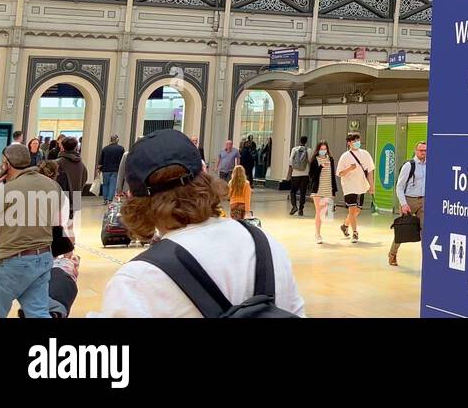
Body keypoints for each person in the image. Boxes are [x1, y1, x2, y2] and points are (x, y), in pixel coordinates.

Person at [88, 128, 304, 317]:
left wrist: (63, 288)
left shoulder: (138, 280)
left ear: (133, 197)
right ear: (204, 174)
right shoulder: (266, 245)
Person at [0, 144, 64, 318]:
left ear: (5, 164)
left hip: (12, 260)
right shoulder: (52, 185)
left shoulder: (8, 190)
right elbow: (58, 217)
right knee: (38, 312)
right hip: (43, 258)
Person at [390, 141, 426, 266]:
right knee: (403, 229)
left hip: (423, 201)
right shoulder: (409, 165)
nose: (423, 153)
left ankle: (425, 260)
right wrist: (403, 203)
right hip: (409, 200)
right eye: (421, 150)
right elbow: (399, 186)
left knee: (425, 230)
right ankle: (392, 254)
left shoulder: (429, 165)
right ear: (416, 151)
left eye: (425, 150)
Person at [336, 133, 374, 243]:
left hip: (361, 186)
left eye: (358, 140)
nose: (357, 143)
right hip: (349, 187)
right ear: (349, 143)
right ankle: (355, 233)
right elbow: (339, 173)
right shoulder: (345, 156)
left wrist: (372, 185)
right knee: (352, 209)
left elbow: (370, 171)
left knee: (357, 210)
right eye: (354, 141)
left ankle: (345, 225)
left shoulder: (365, 154)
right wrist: (349, 169)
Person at [56, 137, 88, 234]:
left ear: (62, 147)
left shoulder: (58, 163)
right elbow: (85, 178)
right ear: (76, 147)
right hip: (76, 195)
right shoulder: (81, 164)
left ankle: (64, 246)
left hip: (61, 198)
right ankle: (71, 243)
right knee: (70, 224)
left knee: (59, 225)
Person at [309, 141, 338, 245]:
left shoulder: (331, 159)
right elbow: (312, 176)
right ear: (318, 149)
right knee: (319, 211)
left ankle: (318, 231)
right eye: (321, 149)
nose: (323, 151)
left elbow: (332, 176)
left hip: (328, 189)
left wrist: (334, 190)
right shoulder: (314, 160)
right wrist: (321, 167)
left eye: (325, 149)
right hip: (317, 189)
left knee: (324, 213)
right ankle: (318, 234)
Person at [287, 136, 311, 216]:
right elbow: (310, 161)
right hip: (305, 174)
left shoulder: (294, 149)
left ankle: (294, 206)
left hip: (295, 174)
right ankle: (301, 209)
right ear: (306, 141)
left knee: (293, 191)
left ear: (299, 141)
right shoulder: (308, 150)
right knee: (303, 192)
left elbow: (290, 161)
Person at [97, 134, 125, 202]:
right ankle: (110, 199)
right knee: (113, 184)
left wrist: (99, 169)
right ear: (117, 139)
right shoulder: (121, 149)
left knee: (105, 185)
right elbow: (123, 160)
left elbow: (101, 161)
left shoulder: (105, 149)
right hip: (116, 170)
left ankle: (105, 199)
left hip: (105, 170)